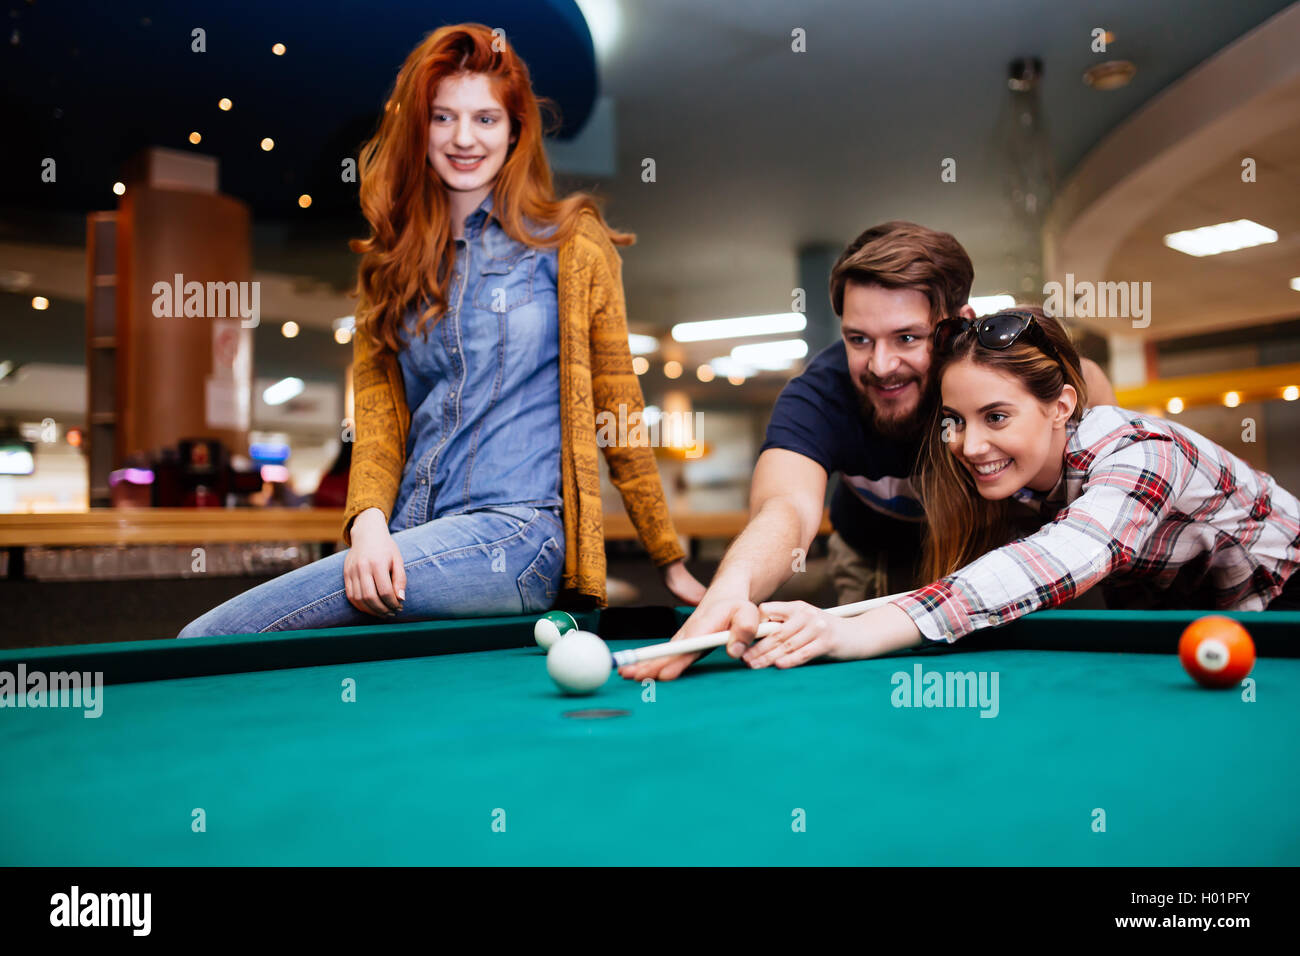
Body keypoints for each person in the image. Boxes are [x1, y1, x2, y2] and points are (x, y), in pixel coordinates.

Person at [180, 24, 702, 638]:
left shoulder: (570, 244)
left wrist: (669, 557)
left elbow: (618, 405)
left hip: (516, 533)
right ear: (419, 129)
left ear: (515, 130)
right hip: (409, 533)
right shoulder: (389, 265)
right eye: (443, 117)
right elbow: (377, 427)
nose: (463, 138)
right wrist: (367, 524)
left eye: (485, 119)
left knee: (211, 637)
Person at [620, 222, 1115, 681]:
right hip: (872, 555)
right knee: (871, 680)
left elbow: (1087, 394)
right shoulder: (818, 396)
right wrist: (735, 588)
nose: (881, 366)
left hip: (995, 546)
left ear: (956, 324)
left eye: (906, 337)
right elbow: (786, 506)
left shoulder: (1000, 370)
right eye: (859, 339)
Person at [720, 307, 1300, 668]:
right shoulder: (1021, 483)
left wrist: (852, 634)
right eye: (956, 421)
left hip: (1287, 604)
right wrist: (829, 618)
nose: (970, 446)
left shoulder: (1144, 454)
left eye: (996, 417)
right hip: (1204, 629)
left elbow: (1060, 556)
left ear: (1062, 405)